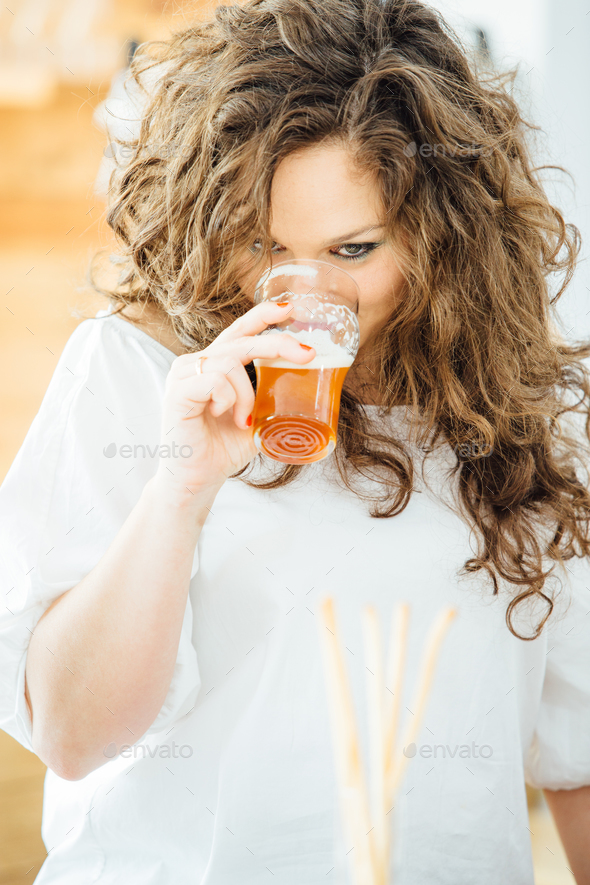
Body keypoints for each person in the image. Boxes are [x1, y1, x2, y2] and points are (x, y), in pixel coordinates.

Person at [2, 0, 590, 882]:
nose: (303, 297)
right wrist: (181, 491)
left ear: (444, 237)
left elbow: (577, 755)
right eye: (262, 246)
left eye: (353, 250)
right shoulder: (133, 372)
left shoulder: (518, 411)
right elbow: (72, 733)